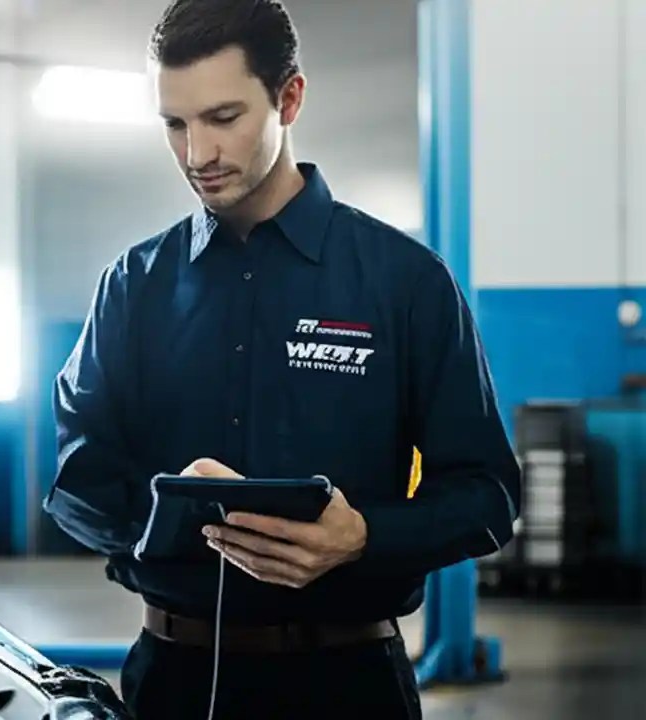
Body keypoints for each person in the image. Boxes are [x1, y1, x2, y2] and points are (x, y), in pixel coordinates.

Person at [42, 1, 521, 718]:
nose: (197, 153)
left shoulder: (406, 282)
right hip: (173, 680)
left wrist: (363, 537)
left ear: (289, 97)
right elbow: (79, 476)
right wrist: (165, 522)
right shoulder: (132, 286)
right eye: (176, 124)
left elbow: (487, 495)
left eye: (223, 117)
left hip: (350, 685)